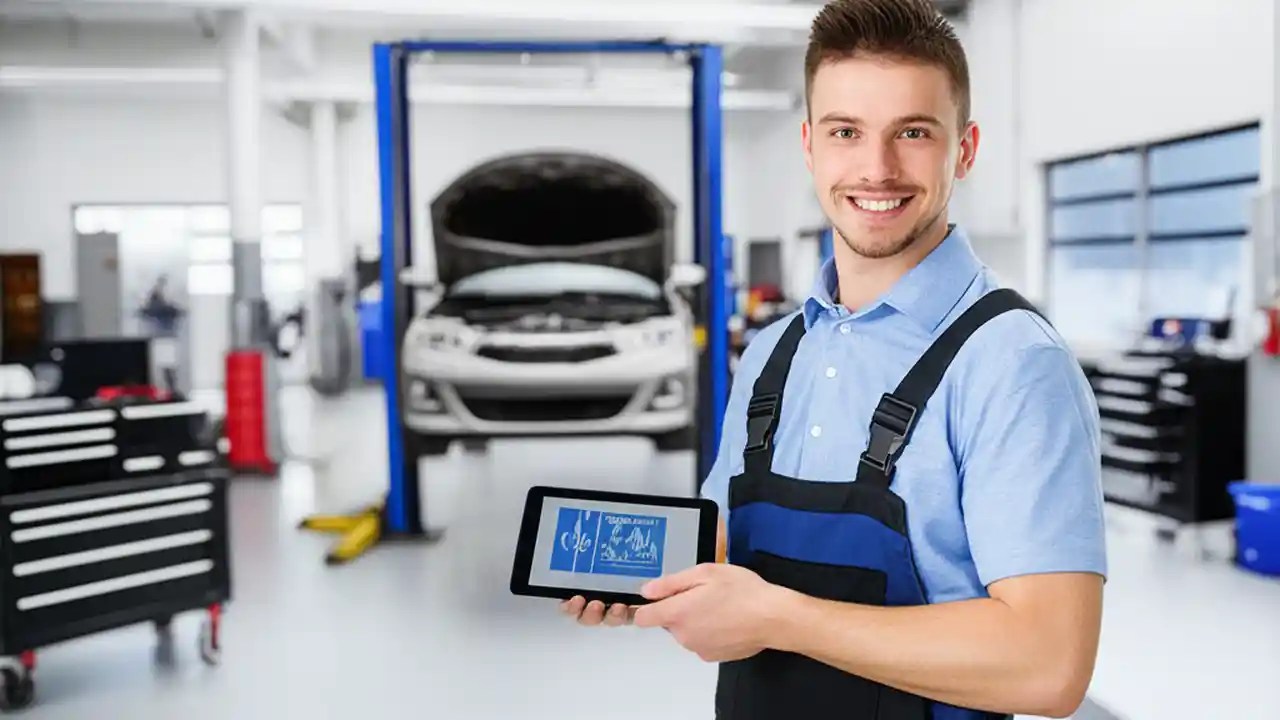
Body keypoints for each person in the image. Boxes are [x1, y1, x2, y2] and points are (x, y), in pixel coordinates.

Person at [560, 0, 1107, 718]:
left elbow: (1048, 665)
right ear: (810, 146)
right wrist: (655, 584)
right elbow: (726, 541)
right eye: (846, 131)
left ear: (964, 150)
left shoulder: (1012, 363)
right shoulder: (773, 354)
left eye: (912, 132)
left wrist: (779, 618)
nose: (876, 169)